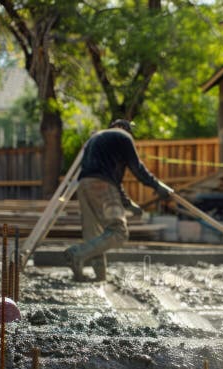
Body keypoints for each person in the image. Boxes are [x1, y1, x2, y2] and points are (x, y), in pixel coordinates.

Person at [65, 119, 173, 281]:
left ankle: (99, 276)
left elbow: (115, 181)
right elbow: (137, 168)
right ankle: (77, 253)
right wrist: (157, 186)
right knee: (118, 232)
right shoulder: (123, 137)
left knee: (94, 235)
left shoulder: (98, 139)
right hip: (102, 186)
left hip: (84, 186)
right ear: (126, 129)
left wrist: (128, 204)